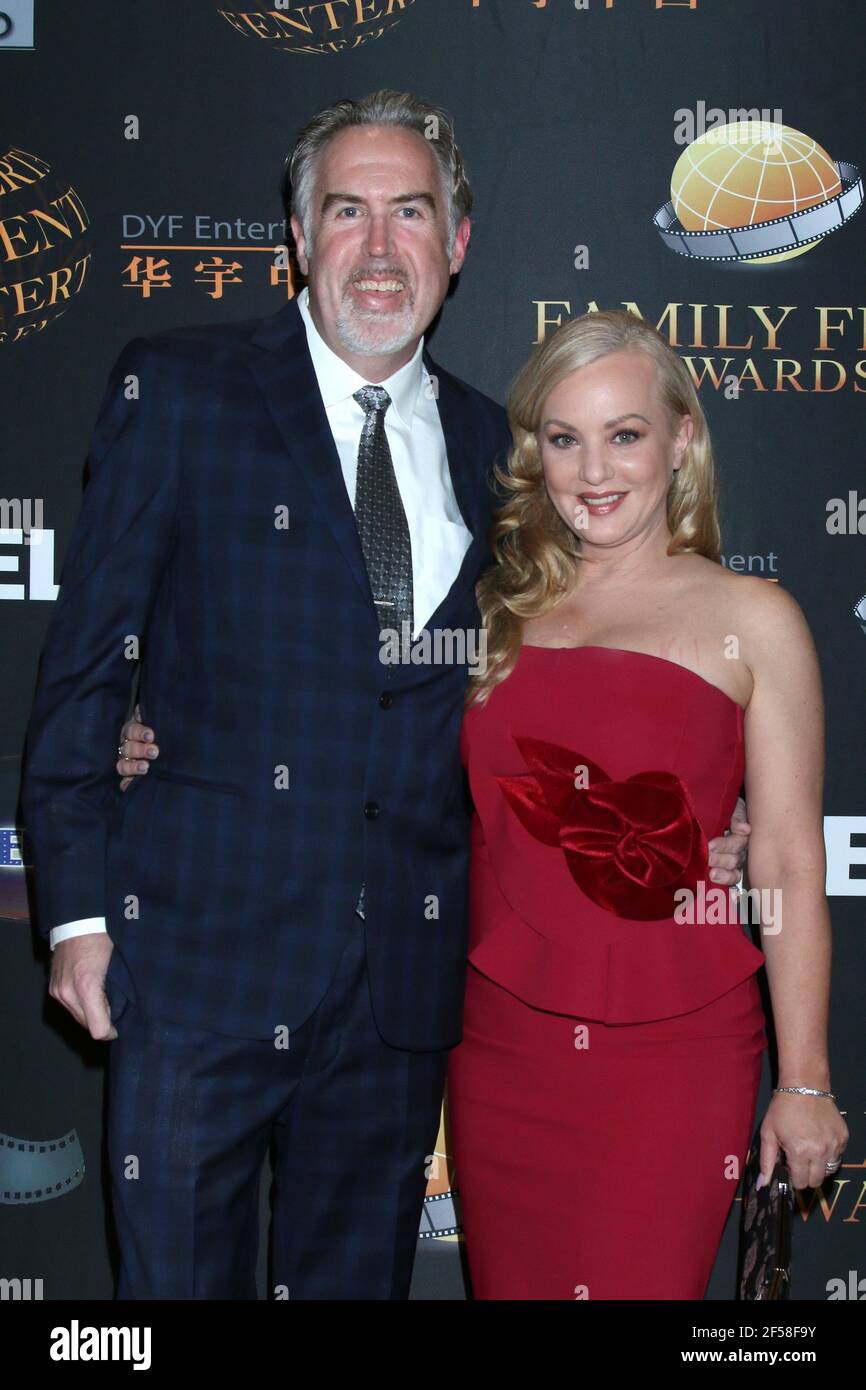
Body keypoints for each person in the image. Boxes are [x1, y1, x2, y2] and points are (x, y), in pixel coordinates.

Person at [26, 91, 747, 1302]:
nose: (376, 247)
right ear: (296, 240)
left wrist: (699, 820)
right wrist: (77, 915)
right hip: (192, 965)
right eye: (344, 211)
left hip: (402, 996)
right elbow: (85, 667)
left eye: (408, 213)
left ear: (455, 243)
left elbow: (594, 668)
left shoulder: (505, 455)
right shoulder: (181, 392)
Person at [444, 309, 849, 1299]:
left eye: (623, 434)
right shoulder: (490, 609)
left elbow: (788, 862)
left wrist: (804, 1081)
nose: (593, 471)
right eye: (563, 438)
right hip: (499, 1038)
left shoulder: (752, 617)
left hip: (673, 1044)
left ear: (680, 440)